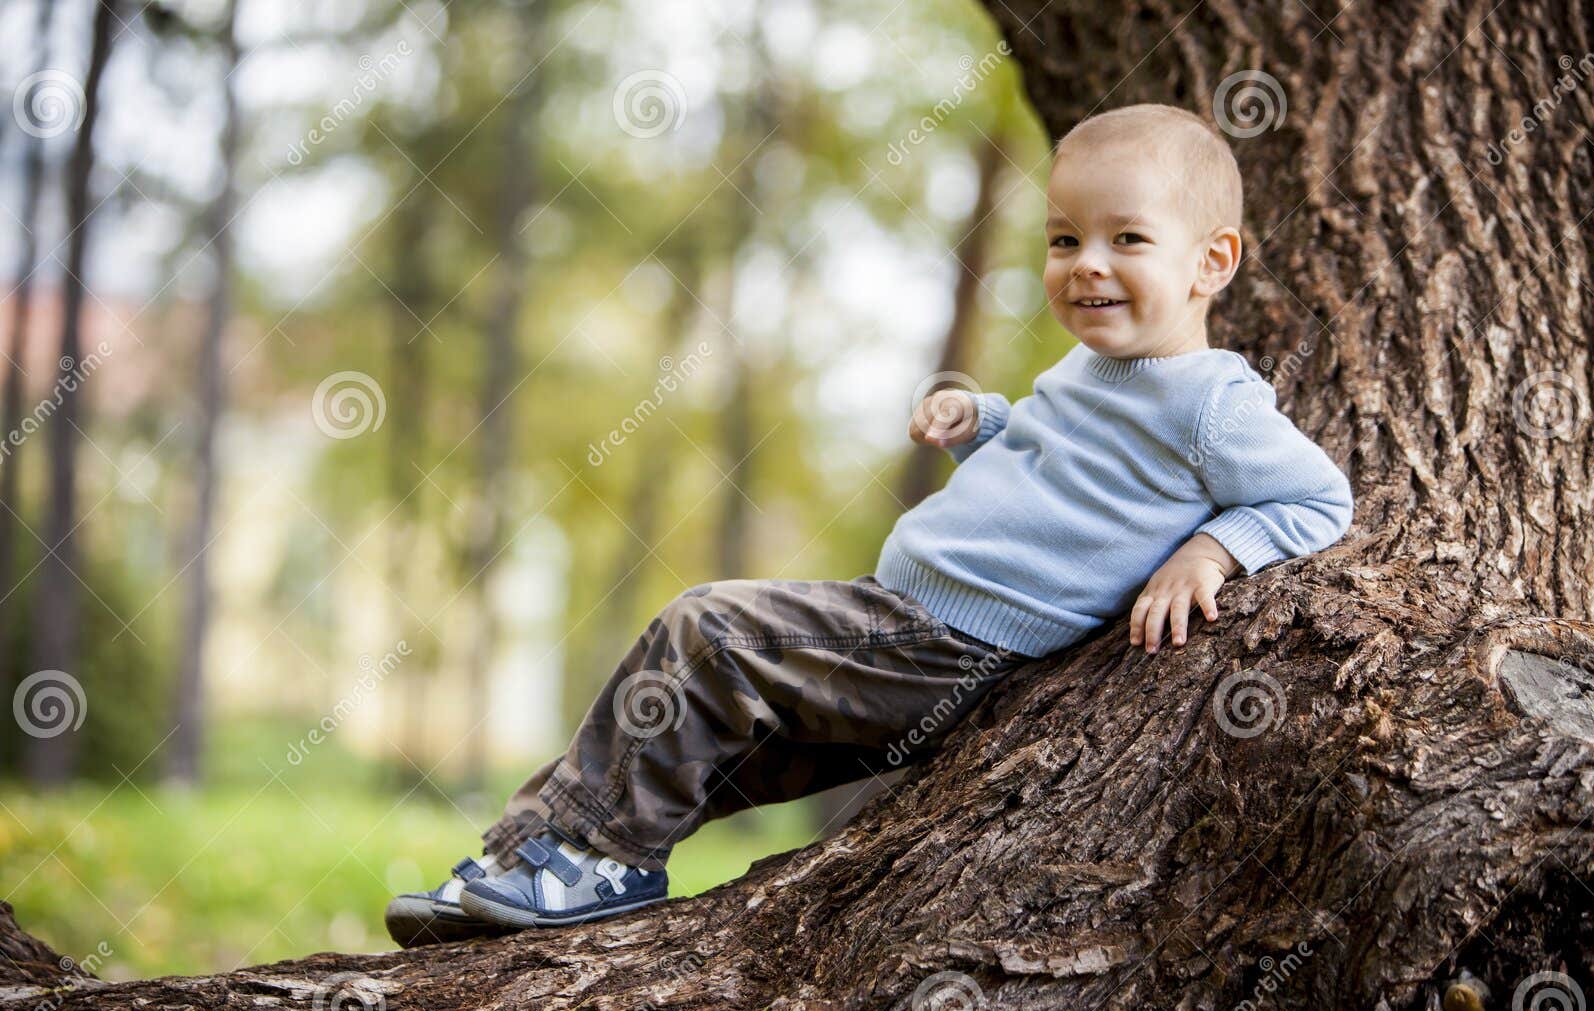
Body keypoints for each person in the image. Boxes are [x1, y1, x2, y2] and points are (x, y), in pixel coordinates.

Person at [385, 103, 1352, 948]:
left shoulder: (1213, 400)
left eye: (1127, 240)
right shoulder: (1095, 371)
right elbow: (1066, 474)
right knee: (697, 741)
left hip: (947, 645)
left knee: (707, 631)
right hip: (913, 635)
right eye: (1064, 240)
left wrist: (1212, 549)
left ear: (1211, 262)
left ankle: (595, 864)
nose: (1086, 265)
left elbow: (1317, 499)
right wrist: (986, 421)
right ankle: (525, 871)